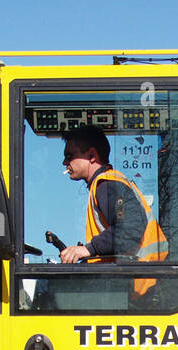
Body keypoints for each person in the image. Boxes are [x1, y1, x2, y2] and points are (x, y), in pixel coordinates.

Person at [58, 124, 167, 296]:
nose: (65, 162)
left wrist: (88, 249)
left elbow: (129, 229)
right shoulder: (105, 185)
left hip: (140, 286)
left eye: (70, 156)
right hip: (138, 284)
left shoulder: (107, 185)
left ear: (92, 155)